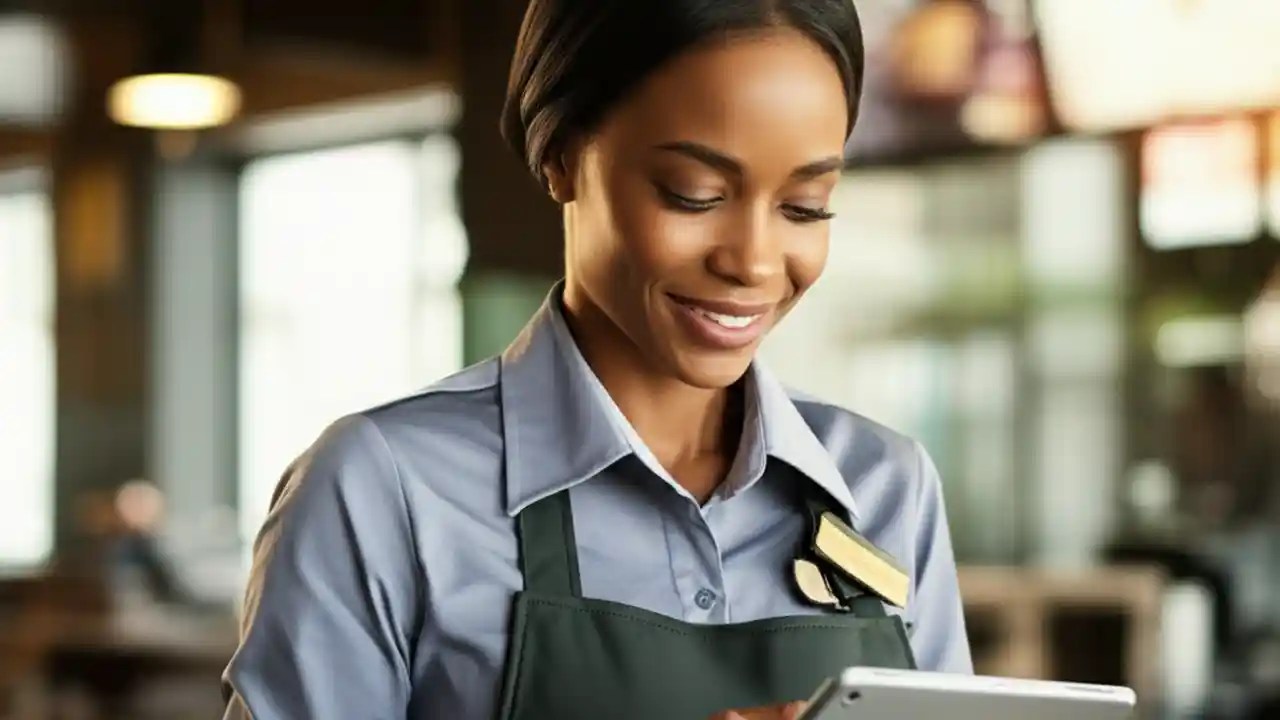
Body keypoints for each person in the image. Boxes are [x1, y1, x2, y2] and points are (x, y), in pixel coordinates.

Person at [221, 1, 972, 718]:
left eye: (805, 206)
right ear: (560, 155)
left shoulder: (884, 488)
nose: (754, 261)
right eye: (694, 194)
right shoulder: (384, 490)